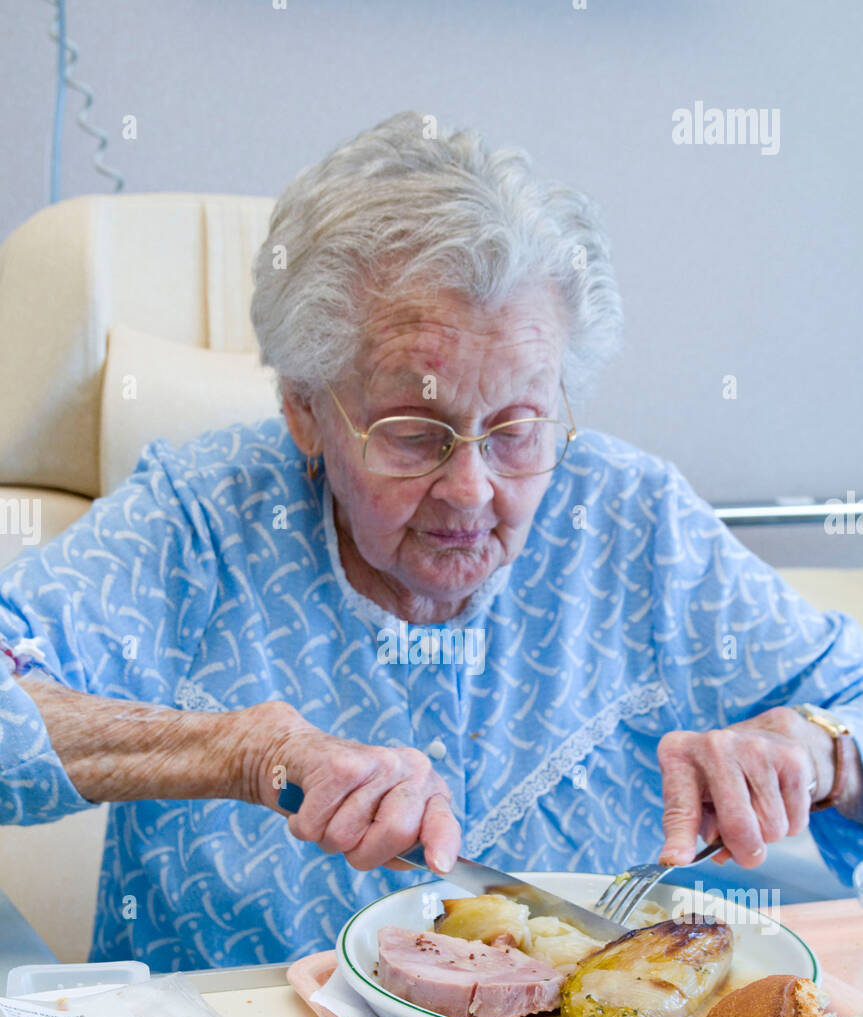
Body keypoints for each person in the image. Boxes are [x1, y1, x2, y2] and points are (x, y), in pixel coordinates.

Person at [1, 110, 862, 971]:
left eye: (517, 428)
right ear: (305, 409)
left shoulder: (633, 522)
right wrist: (240, 750)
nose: (471, 488)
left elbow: (845, 697)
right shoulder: (204, 520)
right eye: (415, 432)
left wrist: (821, 749)